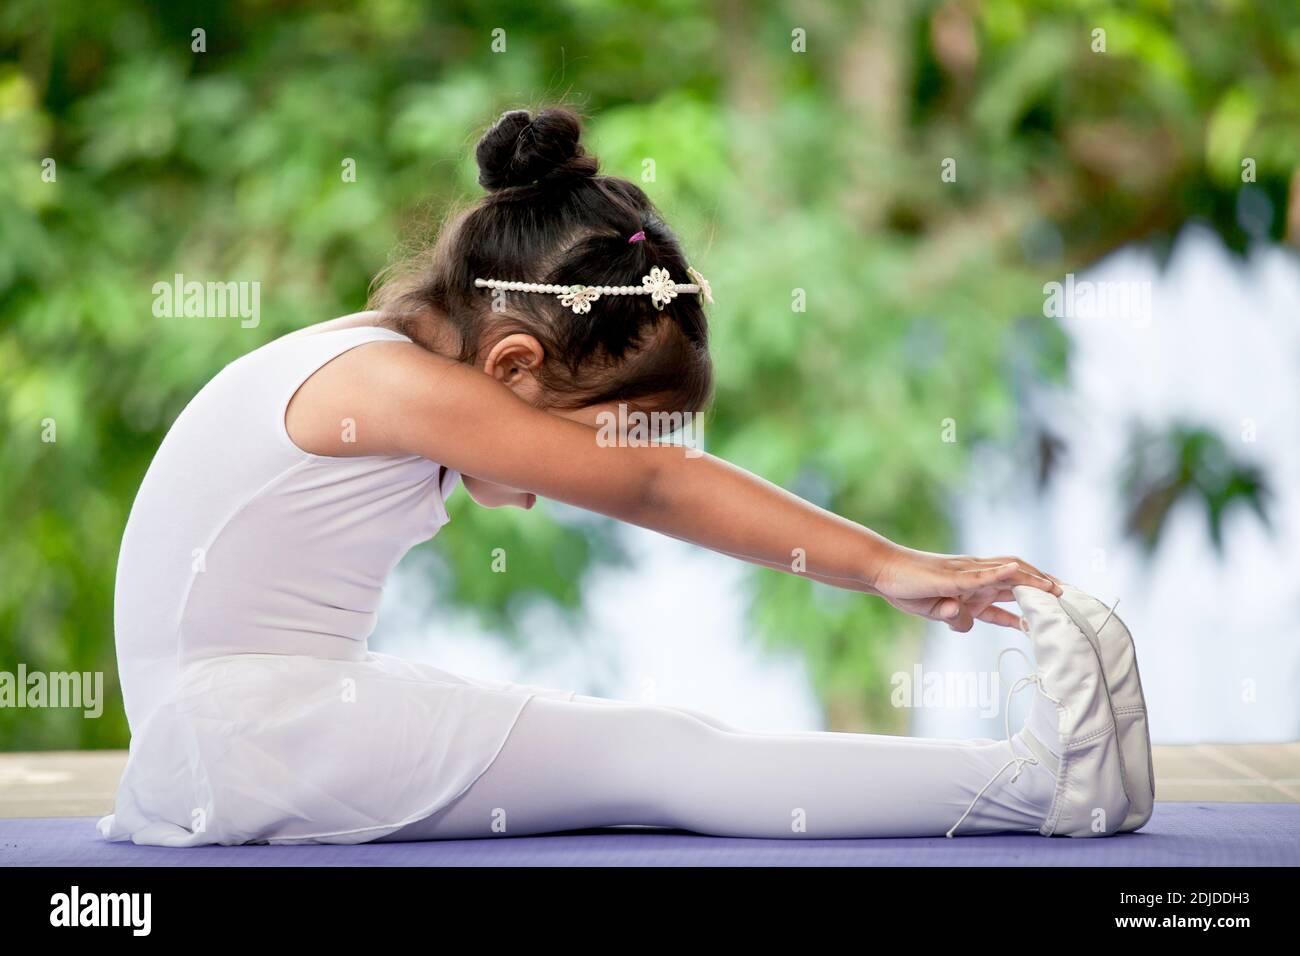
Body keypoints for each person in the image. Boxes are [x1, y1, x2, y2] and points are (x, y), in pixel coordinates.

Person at [98, 107, 1138, 847]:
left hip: (239, 729)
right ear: (512, 363)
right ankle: (1038, 788)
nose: (551, 482)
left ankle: (1039, 782)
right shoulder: (402, 383)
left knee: (656, 745)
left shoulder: (375, 355)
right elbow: (654, 487)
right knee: (662, 756)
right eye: (601, 434)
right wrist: (891, 566)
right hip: (247, 737)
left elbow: (625, 473)